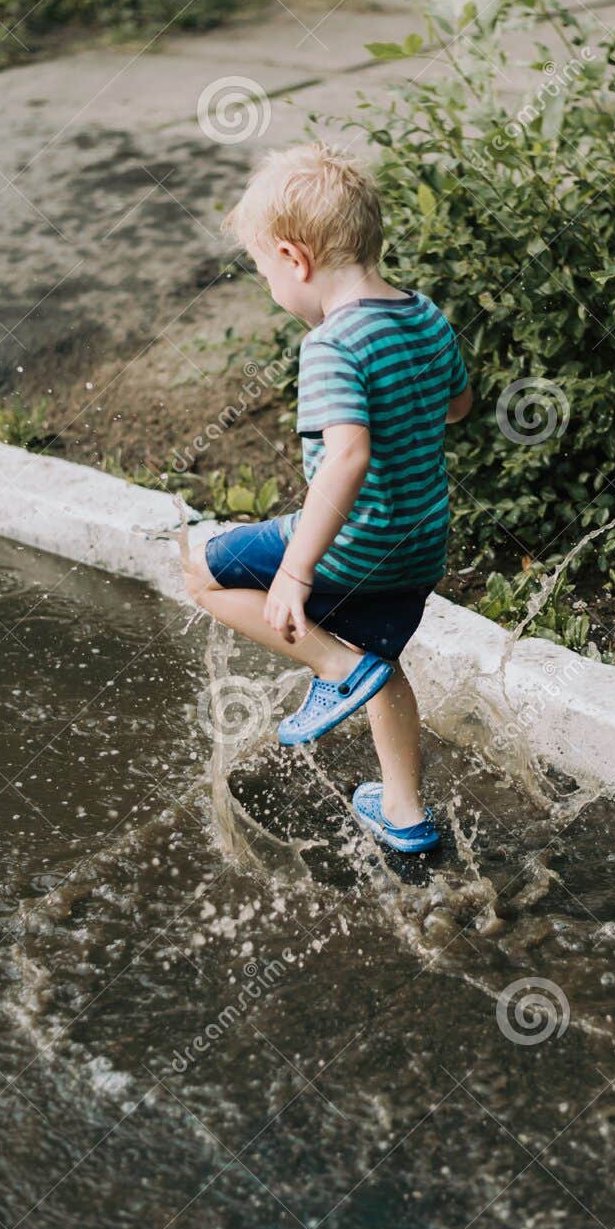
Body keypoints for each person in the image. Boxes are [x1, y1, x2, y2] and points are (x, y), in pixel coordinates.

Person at [176, 143, 472, 855]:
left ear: (294, 258)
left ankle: (334, 667)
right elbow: (458, 407)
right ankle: (404, 814)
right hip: (419, 544)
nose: (270, 285)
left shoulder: (331, 344)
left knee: (197, 567)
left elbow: (347, 456)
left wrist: (296, 571)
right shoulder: (425, 316)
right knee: (383, 656)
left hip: (352, 544)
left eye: (263, 271)